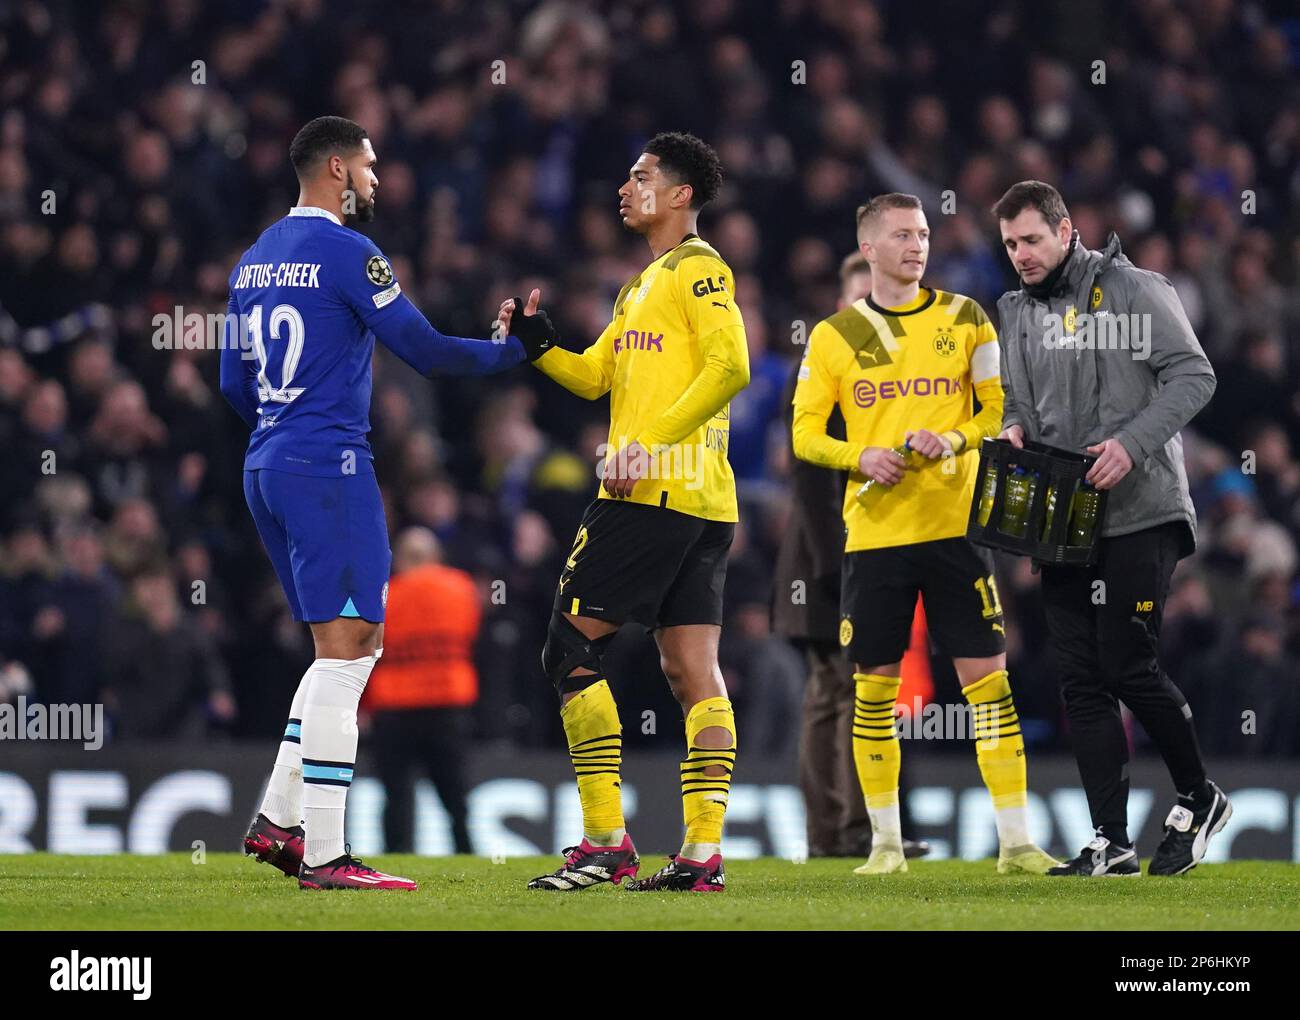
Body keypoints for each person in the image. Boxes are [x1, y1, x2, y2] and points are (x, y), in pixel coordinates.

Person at [221, 116, 526, 891]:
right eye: (369, 164)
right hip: (330, 468)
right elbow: (426, 352)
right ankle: (325, 855)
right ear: (335, 168)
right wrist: (514, 348)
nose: (377, 179)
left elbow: (232, 384)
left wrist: (287, 431)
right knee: (352, 652)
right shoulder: (352, 254)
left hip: (267, 465)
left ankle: (276, 822)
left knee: (344, 649)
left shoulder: (253, 260)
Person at [499, 132, 750, 892]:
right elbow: (595, 375)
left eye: (641, 177)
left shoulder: (701, 270)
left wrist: (646, 443)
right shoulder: (642, 284)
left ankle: (606, 840)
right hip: (702, 502)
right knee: (691, 671)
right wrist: (539, 344)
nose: (624, 187)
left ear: (680, 196)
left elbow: (731, 365)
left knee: (568, 651)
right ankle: (701, 854)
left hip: (652, 493)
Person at [792, 193, 1058, 876]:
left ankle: (1016, 843)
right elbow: (803, 435)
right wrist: (861, 457)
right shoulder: (832, 337)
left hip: (953, 528)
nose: (917, 246)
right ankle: (882, 846)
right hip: (876, 535)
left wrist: (954, 438)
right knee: (874, 695)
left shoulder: (966, 317)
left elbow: (997, 411)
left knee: (989, 688)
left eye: (923, 234)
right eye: (903, 236)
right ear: (871, 248)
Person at [993, 180, 1230, 876]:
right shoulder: (1014, 311)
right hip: (1063, 520)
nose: (1021, 255)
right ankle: (1110, 839)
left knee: (1127, 662)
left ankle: (1199, 795)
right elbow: (1015, 394)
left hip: (1142, 509)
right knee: (1081, 680)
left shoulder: (1133, 289)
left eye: (1032, 239)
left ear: (1067, 231)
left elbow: (1193, 374)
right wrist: (1012, 426)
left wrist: (1130, 442)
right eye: (1010, 244)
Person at [773, 252, 929, 860]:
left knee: (857, 690)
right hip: (827, 564)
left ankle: (858, 830)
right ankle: (839, 834)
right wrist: (838, 567)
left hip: (866, 556)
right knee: (835, 691)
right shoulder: (822, 368)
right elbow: (810, 481)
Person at [363, 527, 481, 855]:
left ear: (400, 559)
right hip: (447, 703)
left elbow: (369, 650)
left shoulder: (385, 595)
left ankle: (394, 857)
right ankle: (466, 854)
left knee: (396, 795)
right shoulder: (461, 587)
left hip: (394, 706)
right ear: (436, 556)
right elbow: (473, 634)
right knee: (455, 796)